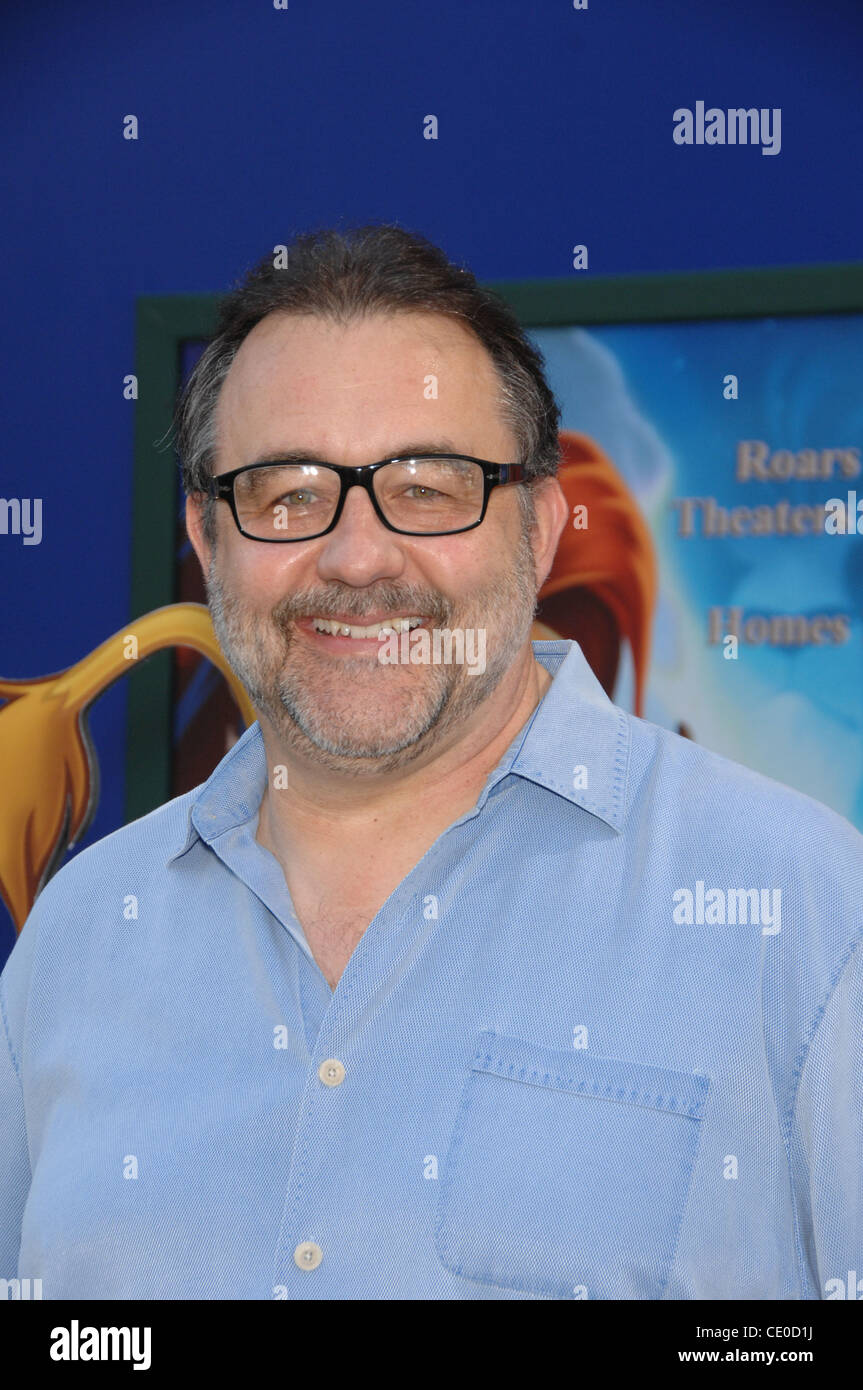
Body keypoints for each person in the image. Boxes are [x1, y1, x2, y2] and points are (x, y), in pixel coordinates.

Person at [1, 225, 861, 1301]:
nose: (357, 556)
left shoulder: (811, 915)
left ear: (540, 530)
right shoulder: (75, 940)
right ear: (208, 542)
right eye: (285, 492)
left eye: (427, 484)